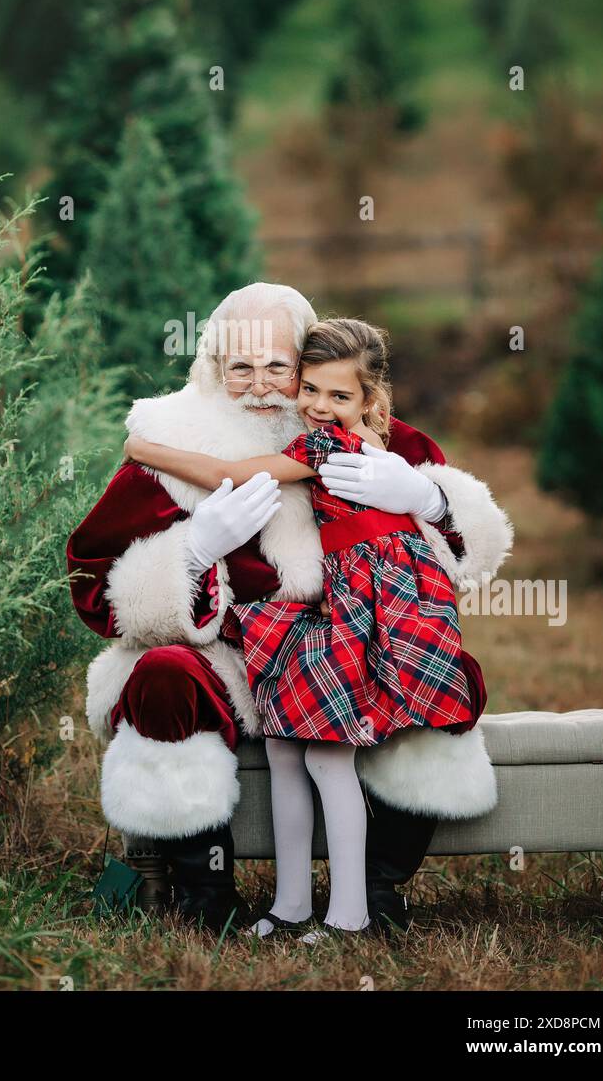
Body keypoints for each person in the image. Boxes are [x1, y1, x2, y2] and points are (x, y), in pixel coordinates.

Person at [66, 282, 513, 934]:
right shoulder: (173, 441)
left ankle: (375, 889)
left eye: (276, 366)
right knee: (161, 673)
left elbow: (465, 553)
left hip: (352, 647)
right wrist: (193, 554)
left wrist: (429, 498)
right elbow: (91, 574)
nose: (258, 385)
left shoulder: (383, 440)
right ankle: (204, 893)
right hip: (228, 657)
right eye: (238, 367)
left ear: (305, 363)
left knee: (449, 676)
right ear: (213, 367)